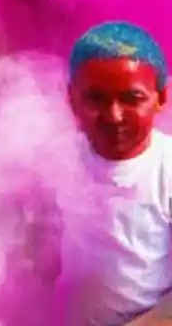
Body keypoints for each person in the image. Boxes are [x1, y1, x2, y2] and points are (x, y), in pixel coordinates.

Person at [55, 21, 172, 326]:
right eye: (96, 98)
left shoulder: (167, 169)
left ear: (161, 98)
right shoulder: (55, 160)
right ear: (71, 99)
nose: (114, 115)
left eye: (132, 99)